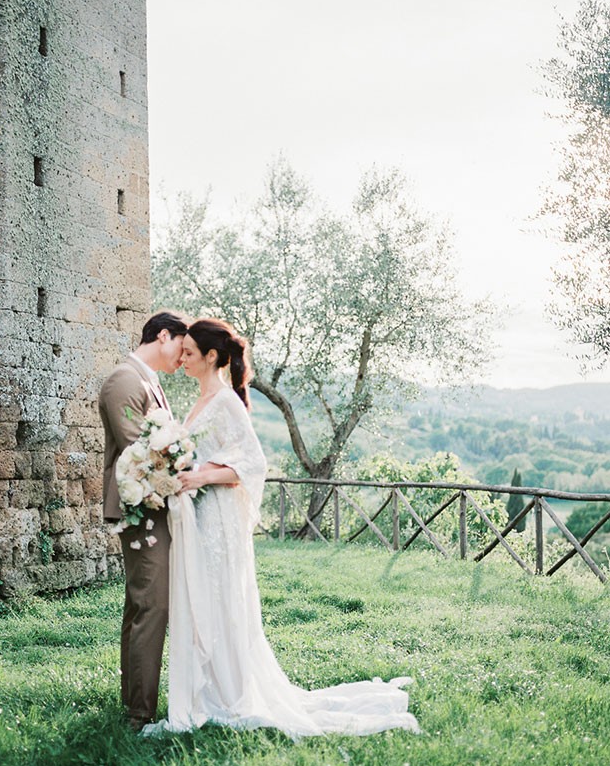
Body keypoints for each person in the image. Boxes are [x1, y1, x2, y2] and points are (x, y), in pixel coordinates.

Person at [143, 317, 420, 738]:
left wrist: (198, 476)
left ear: (211, 357)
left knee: (219, 603)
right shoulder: (203, 400)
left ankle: (229, 694)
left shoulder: (227, 402)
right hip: (197, 518)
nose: (181, 359)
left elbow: (251, 464)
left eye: (189, 353)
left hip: (217, 519)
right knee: (201, 602)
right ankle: (206, 689)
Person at [98, 310, 188, 730]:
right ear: (163, 335)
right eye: (180, 348)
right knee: (151, 606)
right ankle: (140, 714)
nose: (182, 358)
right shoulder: (124, 380)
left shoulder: (151, 382)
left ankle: (133, 702)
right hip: (141, 508)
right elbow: (138, 452)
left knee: (142, 605)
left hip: (157, 506)